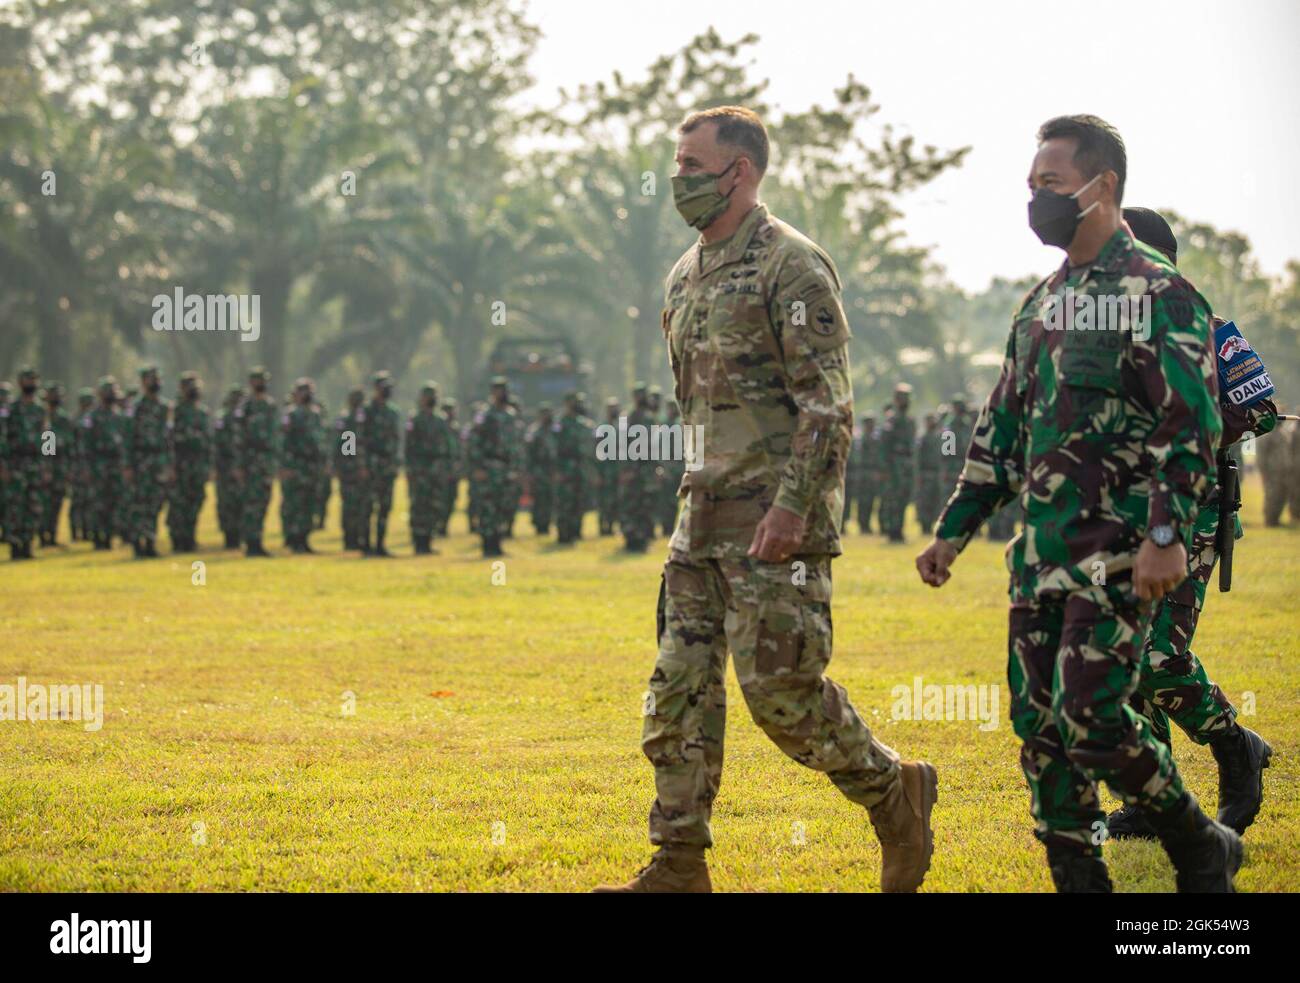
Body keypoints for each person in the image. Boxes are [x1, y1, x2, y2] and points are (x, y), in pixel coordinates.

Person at [597, 106, 936, 894]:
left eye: (691, 164)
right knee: (676, 692)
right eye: (676, 164)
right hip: (699, 522)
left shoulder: (793, 266)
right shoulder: (685, 274)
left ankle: (895, 790)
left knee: (782, 697)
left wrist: (792, 509)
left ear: (738, 171)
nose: (677, 178)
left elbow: (829, 408)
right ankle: (679, 862)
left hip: (775, 527)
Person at [917, 114, 1238, 892]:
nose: (1037, 200)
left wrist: (1165, 533)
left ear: (1105, 187)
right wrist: (951, 531)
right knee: (1040, 732)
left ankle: (1199, 843)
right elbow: (1000, 428)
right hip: (1039, 559)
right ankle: (1079, 877)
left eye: (1051, 185)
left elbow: (1190, 423)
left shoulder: (1159, 291)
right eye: (1031, 187)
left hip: (1121, 551)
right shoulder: (1040, 305)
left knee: (1093, 719)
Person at [1103, 206, 1276, 841]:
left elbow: (1260, 406)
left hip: (1188, 512)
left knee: (1158, 658)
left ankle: (1236, 745)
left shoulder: (1204, 322)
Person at [466, 377, 520, 557]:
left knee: (502, 507)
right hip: (488, 466)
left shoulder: (510, 415)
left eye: (504, 390)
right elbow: (474, 443)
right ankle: (487, 545)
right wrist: (478, 467)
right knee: (487, 506)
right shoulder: (485, 415)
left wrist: (514, 467)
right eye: (498, 390)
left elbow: (514, 444)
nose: (501, 393)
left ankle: (497, 543)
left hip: (505, 468)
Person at [125, 365, 172, 558]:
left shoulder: (163, 407)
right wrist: (128, 465)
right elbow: (128, 437)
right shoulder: (136, 408)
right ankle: (137, 543)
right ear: (143, 382)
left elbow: (168, 437)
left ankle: (150, 541)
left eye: (157, 378)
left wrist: (169, 463)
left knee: (155, 502)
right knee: (139, 503)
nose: (155, 382)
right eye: (151, 379)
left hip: (158, 460)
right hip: (140, 460)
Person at [1, 368, 47, 559]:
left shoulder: (40, 409)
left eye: (34, 380)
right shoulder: (10, 409)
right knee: (15, 506)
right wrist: (2, 464)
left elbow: (48, 436)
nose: (32, 384)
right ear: (21, 383)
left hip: (35, 464)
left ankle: (28, 544)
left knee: (33, 506)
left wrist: (47, 463)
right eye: (28, 380)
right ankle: (15, 545)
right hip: (16, 464)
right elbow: (2, 437)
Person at [406, 382, 455, 554]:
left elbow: (448, 447)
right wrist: (411, 469)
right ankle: (418, 542)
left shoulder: (441, 420)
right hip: (420, 469)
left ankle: (428, 541)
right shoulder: (415, 419)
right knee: (419, 504)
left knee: (434, 505)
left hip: (437, 469)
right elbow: (409, 447)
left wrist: (448, 467)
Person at [235, 366, 278, 557]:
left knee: (263, 501)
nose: (261, 383)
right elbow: (238, 437)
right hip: (250, 460)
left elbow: (276, 435)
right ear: (251, 383)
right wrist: (239, 464)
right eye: (258, 380)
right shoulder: (246, 406)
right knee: (251, 501)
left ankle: (258, 541)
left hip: (266, 460)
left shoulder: (270, 405)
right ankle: (250, 542)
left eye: (263, 380)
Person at [280, 378, 326, 554]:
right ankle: (293, 538)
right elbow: (283, 442)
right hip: (296, 466)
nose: (307, 394)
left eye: (309, 390)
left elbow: (321, 440)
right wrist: (285, 466)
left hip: (312, 467)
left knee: (309, 503)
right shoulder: (291, 415)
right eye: (303, 391)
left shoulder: (316, 414)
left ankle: (304, 538)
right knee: (295, 503)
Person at [168, 371, 212, 552]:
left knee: (196, 500)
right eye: (189, 387)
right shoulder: (175, 411)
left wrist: (209, 465)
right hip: (180, 462)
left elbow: (208, 441)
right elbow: (168, 439)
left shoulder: (203, 412)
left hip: (198, 463)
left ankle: (190, 537)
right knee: (179, 502)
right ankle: (178, 539)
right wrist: (170, 465)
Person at [361, 371, 401, 557]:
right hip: (370, 464)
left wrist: (396, 462)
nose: (386, 391)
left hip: (387, 464)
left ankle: (380, 544)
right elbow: (351, 437)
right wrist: (357, 463)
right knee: (367, 506)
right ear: (375, 389)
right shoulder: (366, 411)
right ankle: (365, 545)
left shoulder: (393, 412)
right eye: (383, 387)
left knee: (385, 506)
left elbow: (396, 439)